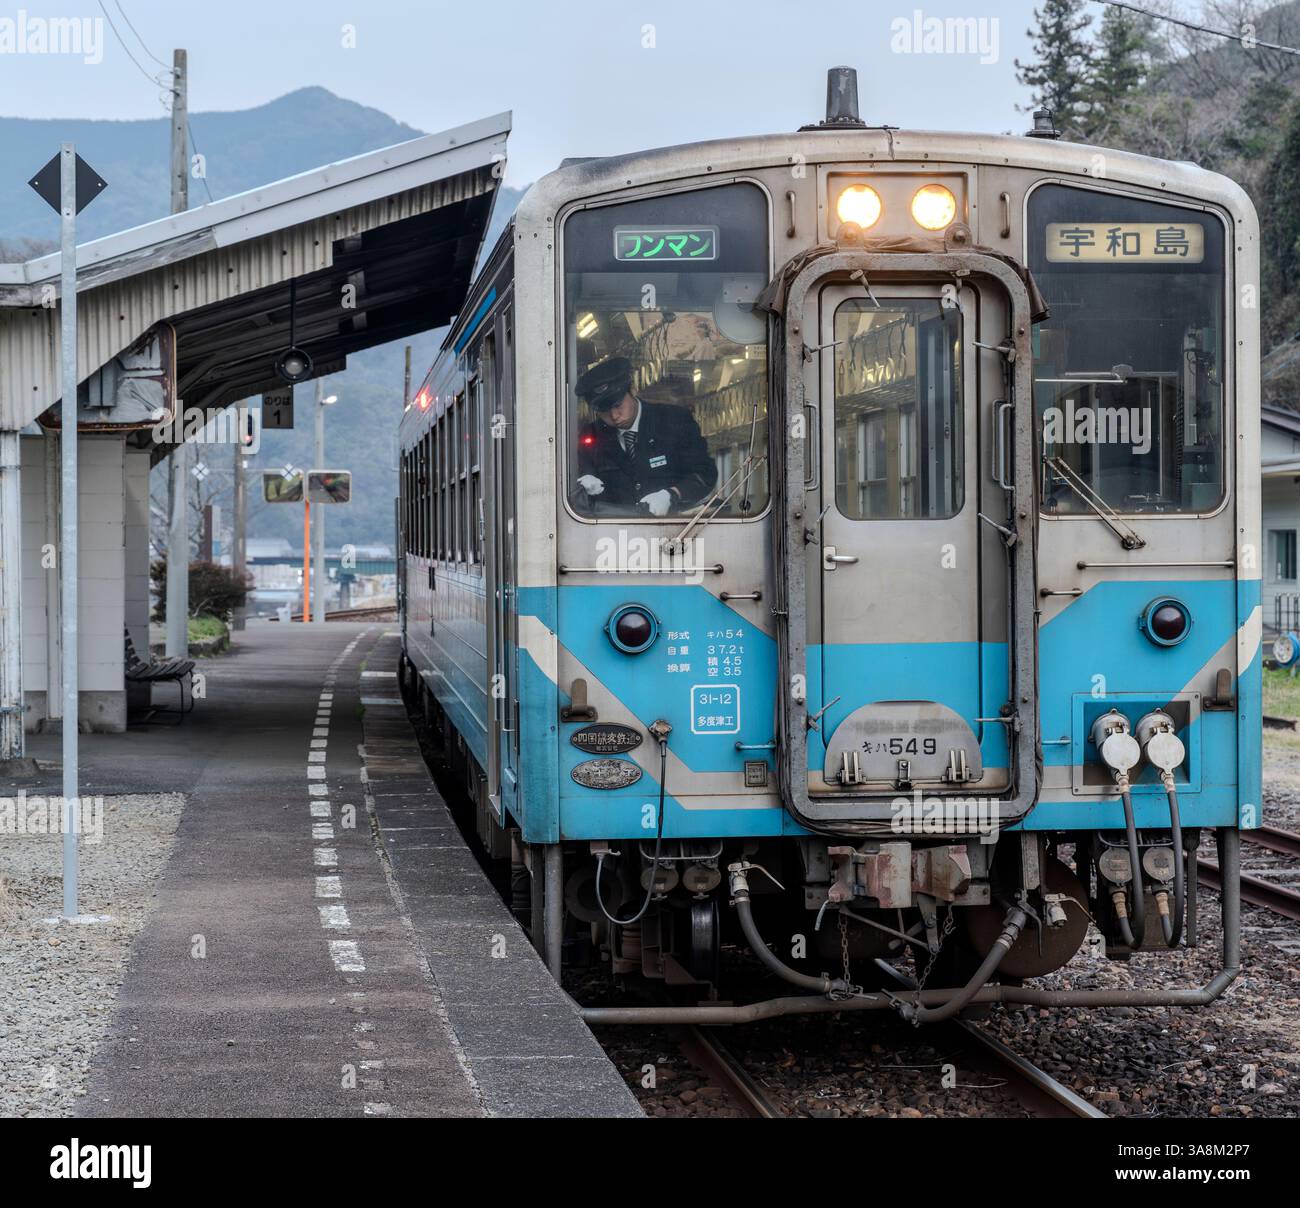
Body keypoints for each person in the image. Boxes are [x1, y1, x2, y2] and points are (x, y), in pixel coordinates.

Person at [574, 356, 717, 516]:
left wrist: (672, 495)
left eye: (618, 405)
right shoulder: (592, 436)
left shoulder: (674, 421)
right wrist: (584, 482)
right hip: (614, 534)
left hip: (673, 529)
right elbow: (583, 478)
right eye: (604, 411)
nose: (614, 416)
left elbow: (705, 474)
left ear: (632, 391)